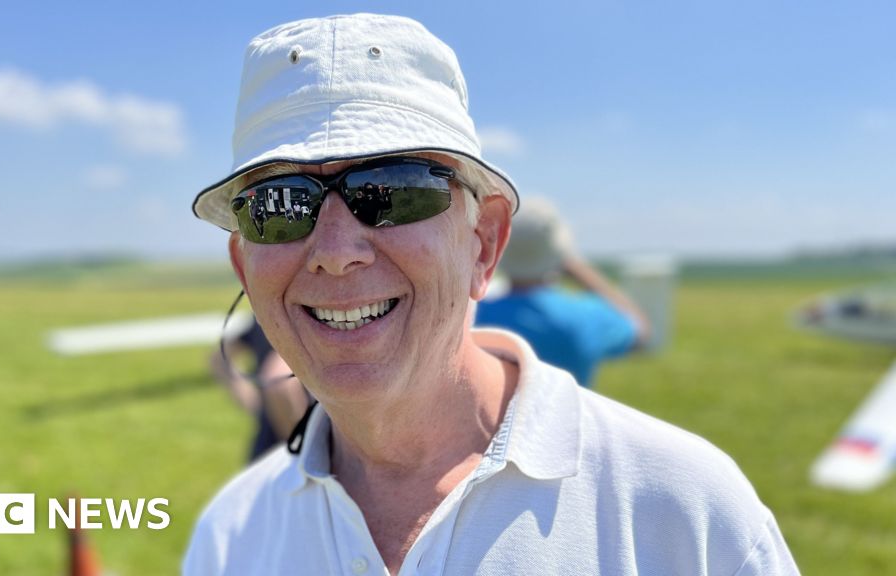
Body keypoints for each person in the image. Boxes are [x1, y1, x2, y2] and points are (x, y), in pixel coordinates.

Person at [184, 13, 799, 575]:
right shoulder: (232, 533)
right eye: (278, 205)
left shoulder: (684, 514)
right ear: (245, 264)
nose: (337, 250)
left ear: (484, 243)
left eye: (393, 191)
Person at [475, 197, 650, 387]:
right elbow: (641, 332)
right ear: (557, 250)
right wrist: (580, 271)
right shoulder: (584, 316)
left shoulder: (474, 315)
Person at [209, 320, 309, 461]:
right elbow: (279, 383)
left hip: (264, 454)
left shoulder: (262, 315)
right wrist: (307, 450)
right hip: (292, 458)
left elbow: (219, 358)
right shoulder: (302, 317)